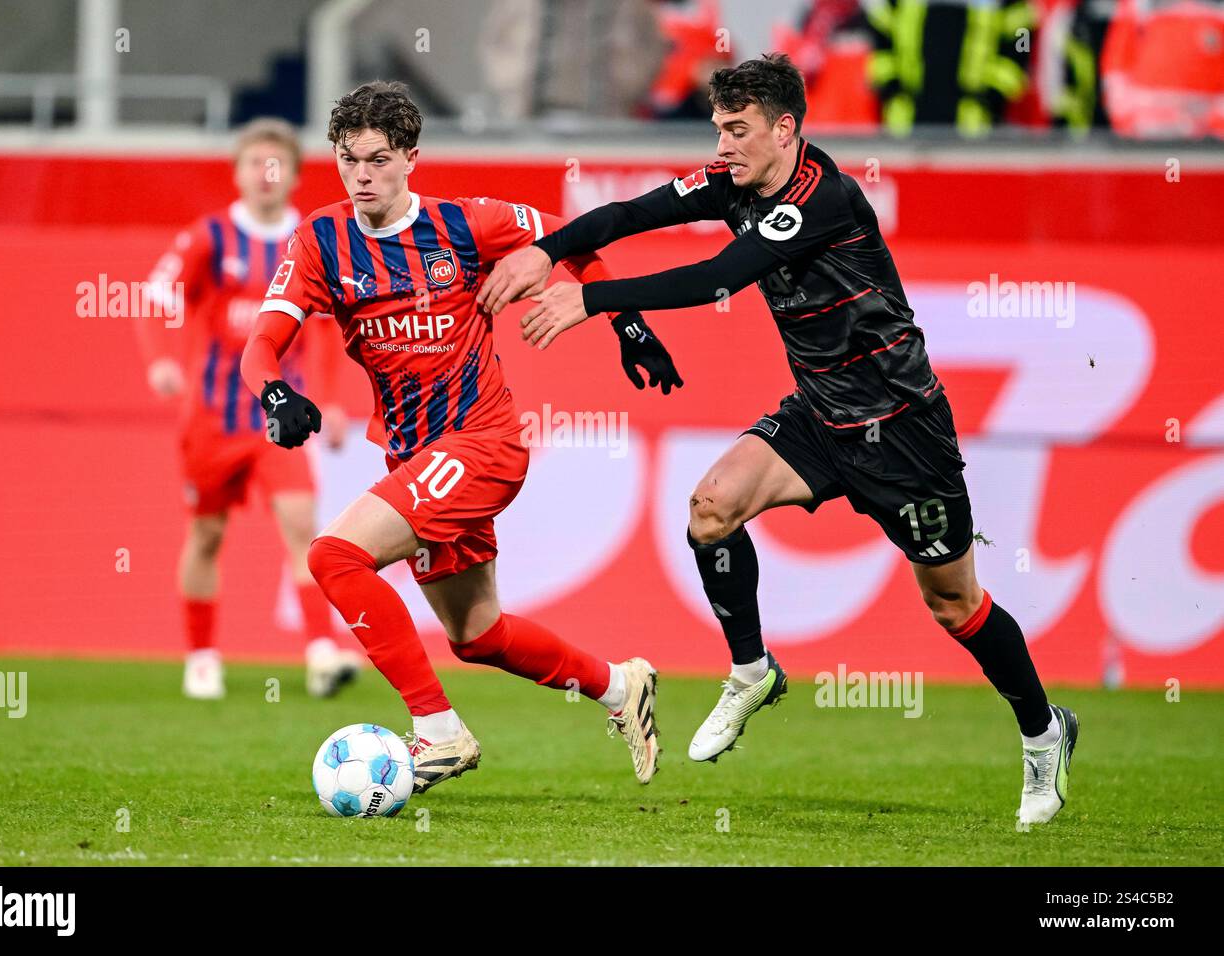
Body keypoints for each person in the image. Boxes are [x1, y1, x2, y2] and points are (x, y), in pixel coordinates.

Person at [479, 53, 1079, 825]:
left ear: (785, 128)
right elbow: (628, 213)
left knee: (955, 604)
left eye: (739, 130)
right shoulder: (731, 180)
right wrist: (545, 248)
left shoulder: (823, 199)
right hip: (820, 417)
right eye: (718, 129)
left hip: (903, 432)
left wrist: (591, 298)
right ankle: (752, 669)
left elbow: (721, 275)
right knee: (711, 508)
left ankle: (1042, 733)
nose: (723, 146)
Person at [240, 82, 682, 793]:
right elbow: (262, 342)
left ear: (411, 158)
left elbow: (575, 240)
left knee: (334, 557)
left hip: (482, 442)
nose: (362, 176)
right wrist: (276, 390)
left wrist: (628, 321)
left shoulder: (466, 225)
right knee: (478, 635)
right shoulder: (320, 240)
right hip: (416, 456)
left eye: (378, 159)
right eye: (348, 160)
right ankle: (619, 686)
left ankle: (439, 733)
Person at [138, 118, 361, 701]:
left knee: (301, 526)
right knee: (207, 535)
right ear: (237, 174)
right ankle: (203, 657)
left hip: (279, 417)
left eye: (276, 164)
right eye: (253, 165)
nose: (264, 176)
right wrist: (161, 359)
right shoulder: (209, 237)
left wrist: (333, 401)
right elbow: (157, 296)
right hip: (212, 417)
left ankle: (320, 653)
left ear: (291, 174)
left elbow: (327, 331)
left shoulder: (315, 240)